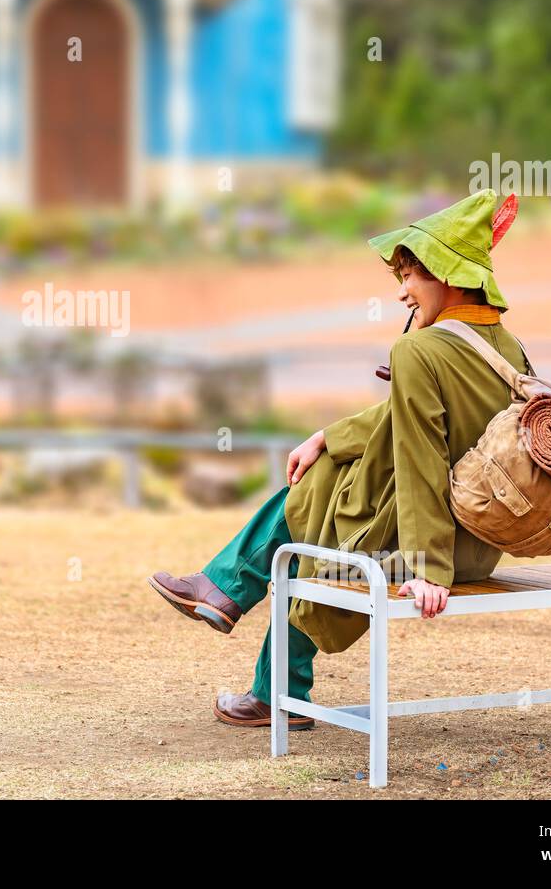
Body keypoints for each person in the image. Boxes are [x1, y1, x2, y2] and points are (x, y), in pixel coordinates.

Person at [149, 189, 527, 727]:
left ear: (445, 275)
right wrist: (327, 436)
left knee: (314, 518)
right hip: (479, 545)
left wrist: (426, 570)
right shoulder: (506, 348)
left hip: (428, 550)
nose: (402, 293)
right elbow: (416, 421)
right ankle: (254, 653)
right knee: (320, 493)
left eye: (410, 277)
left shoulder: (418, 351)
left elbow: (419, 454)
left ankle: (243, 620)